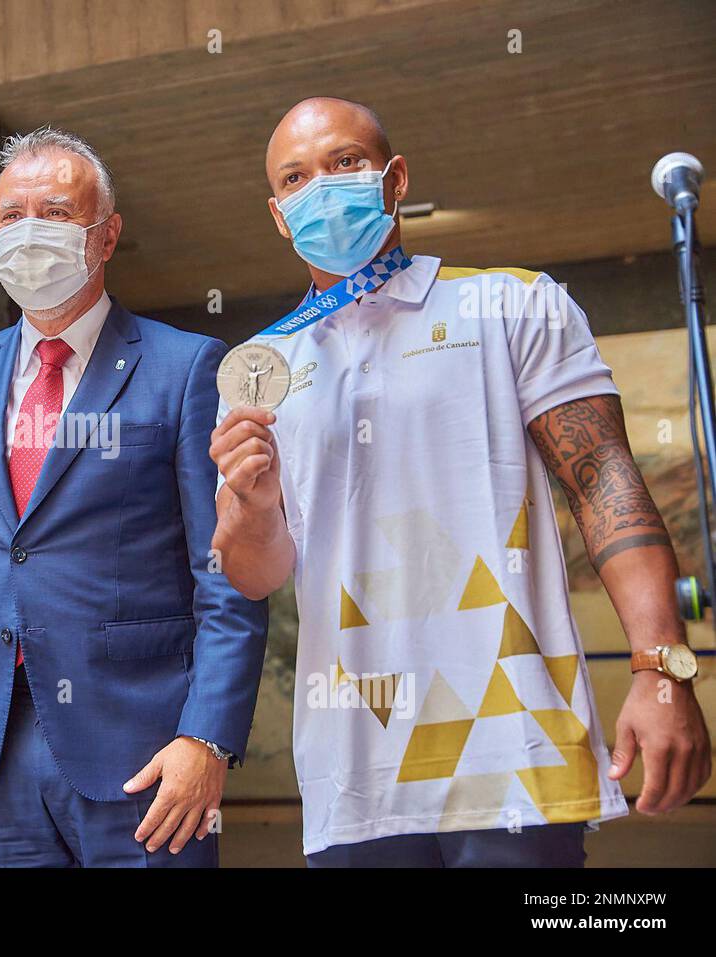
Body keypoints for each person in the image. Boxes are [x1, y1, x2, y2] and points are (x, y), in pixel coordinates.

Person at [210, 97, 711, 867]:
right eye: (297, 177)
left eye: (345, 163)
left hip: (518, 753)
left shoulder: (514, 302)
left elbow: (602, 478)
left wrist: (663, 668)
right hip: (353, 773)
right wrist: (247, 503)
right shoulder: (257, 368)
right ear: (280, 216)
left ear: (394, 178)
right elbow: (257, 572)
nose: (324, 188)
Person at [0, 128, 268, 867]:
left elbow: (225, 569)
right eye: (10, 215)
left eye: (57, 213)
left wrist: (208, 735)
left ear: (107, 235)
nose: (29, 231)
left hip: (145, 747)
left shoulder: (185, 367)